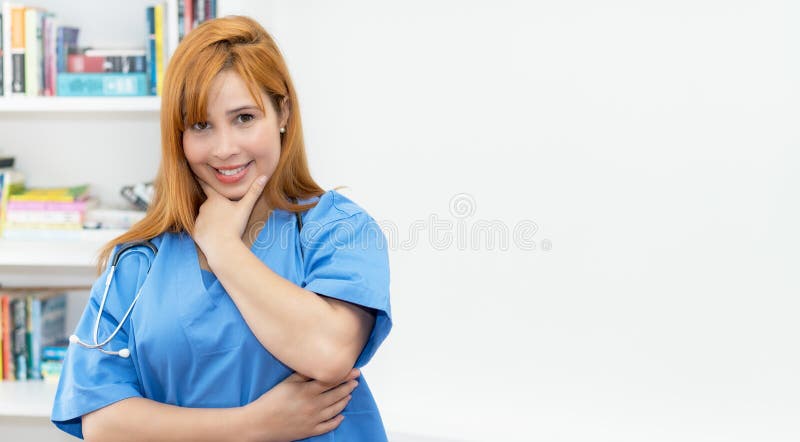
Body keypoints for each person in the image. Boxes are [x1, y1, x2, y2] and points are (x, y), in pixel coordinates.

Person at [51, 15, 392, 442]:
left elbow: (328, 353)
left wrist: (223, 248)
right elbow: (100, 422)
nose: (225, 148)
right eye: (201, 125)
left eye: (244, 117)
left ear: (283, 113)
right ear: (179, 136)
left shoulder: (338, 229)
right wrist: (255, 425)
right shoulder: (140, 259)